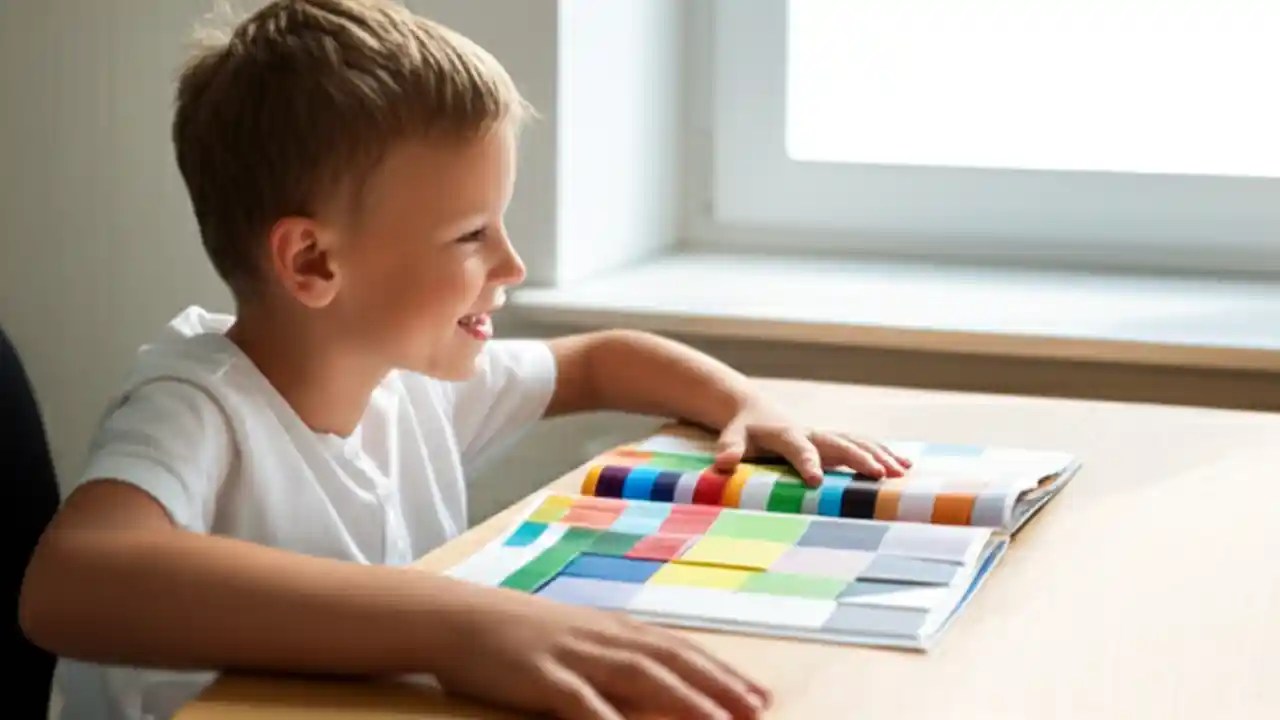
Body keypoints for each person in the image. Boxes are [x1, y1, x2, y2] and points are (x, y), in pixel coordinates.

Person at [18, 1, 910, 718]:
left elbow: (600, 361)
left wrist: (745, 401)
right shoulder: (196, 404)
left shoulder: (407, 384)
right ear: (313, 263)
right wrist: (453, 624)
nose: (513, 267)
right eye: (471, 234)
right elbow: (71, 581)